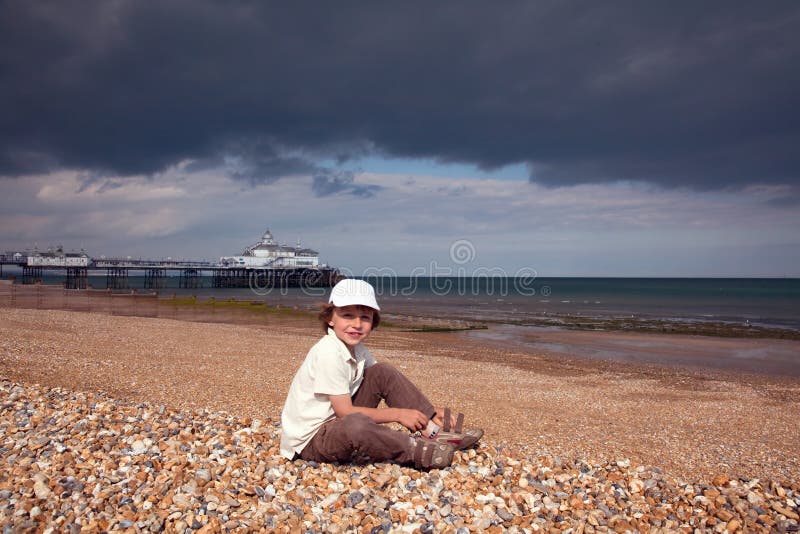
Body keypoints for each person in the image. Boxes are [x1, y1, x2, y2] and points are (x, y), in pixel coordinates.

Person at [280, 278, 483, 469]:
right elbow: (344, 412)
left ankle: (433, 431)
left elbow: (384, 382)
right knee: (356, 425)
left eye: (365, 317)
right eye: (347, 315)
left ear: (373, 322)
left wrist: (428, 410)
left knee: (382, 371)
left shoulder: (356, 349)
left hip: (335, 422)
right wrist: (398, 415)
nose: (357, 324)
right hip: (312, 440)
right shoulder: (328, 352)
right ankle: (416, 451)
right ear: (330, 319)